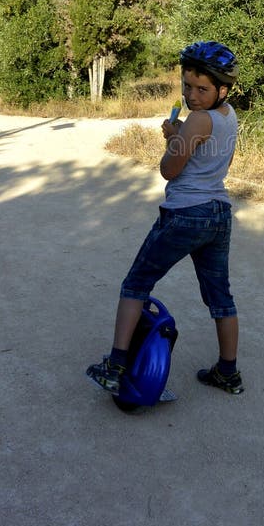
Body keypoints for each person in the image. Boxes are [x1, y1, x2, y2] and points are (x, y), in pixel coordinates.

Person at [86, 41, 244, 396]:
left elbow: (169, 170)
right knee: (221, 297)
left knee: (136, 284)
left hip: (186, 214)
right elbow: (221, 164)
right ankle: (228, 372)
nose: (192, 95)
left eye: (202, 89)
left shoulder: (198, 120)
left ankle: (115, 366)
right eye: (187, 86)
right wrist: (181, 138)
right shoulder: (228, 115)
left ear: (222, 89)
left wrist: (174, 139)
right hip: (218, 214)